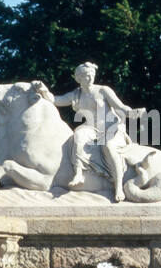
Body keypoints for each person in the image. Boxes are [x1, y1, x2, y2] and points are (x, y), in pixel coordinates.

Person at [37, 62, 145, 202]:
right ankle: (79, 173)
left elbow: (120, 106)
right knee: (78, 135)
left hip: (111, 127)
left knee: (108, 146)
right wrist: (44, 91)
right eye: (86, 76)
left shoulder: (103, 90)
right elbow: (56, 100)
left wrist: (131, 112)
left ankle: (118, 186)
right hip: (91, 128)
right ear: (79, 78)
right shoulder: (76, 94)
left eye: (92, 75)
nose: (90, 78)